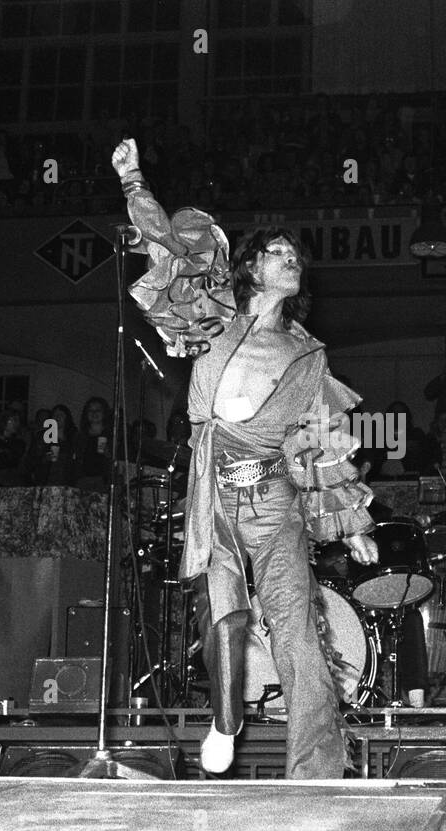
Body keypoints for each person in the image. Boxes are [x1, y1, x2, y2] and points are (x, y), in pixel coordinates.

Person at [114, 137, 378, 778]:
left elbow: (317, 441)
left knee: (297, 635)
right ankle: (226, 720)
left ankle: (315, 774)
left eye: (296, 257)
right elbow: (166, 246)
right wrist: (133, 182)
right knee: (223, 621)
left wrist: (357, 524)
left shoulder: (309, 355)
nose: (292, 262)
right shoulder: (211, 314)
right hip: (214, 496)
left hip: (274, 503)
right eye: (279, 253)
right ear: (252, 266)